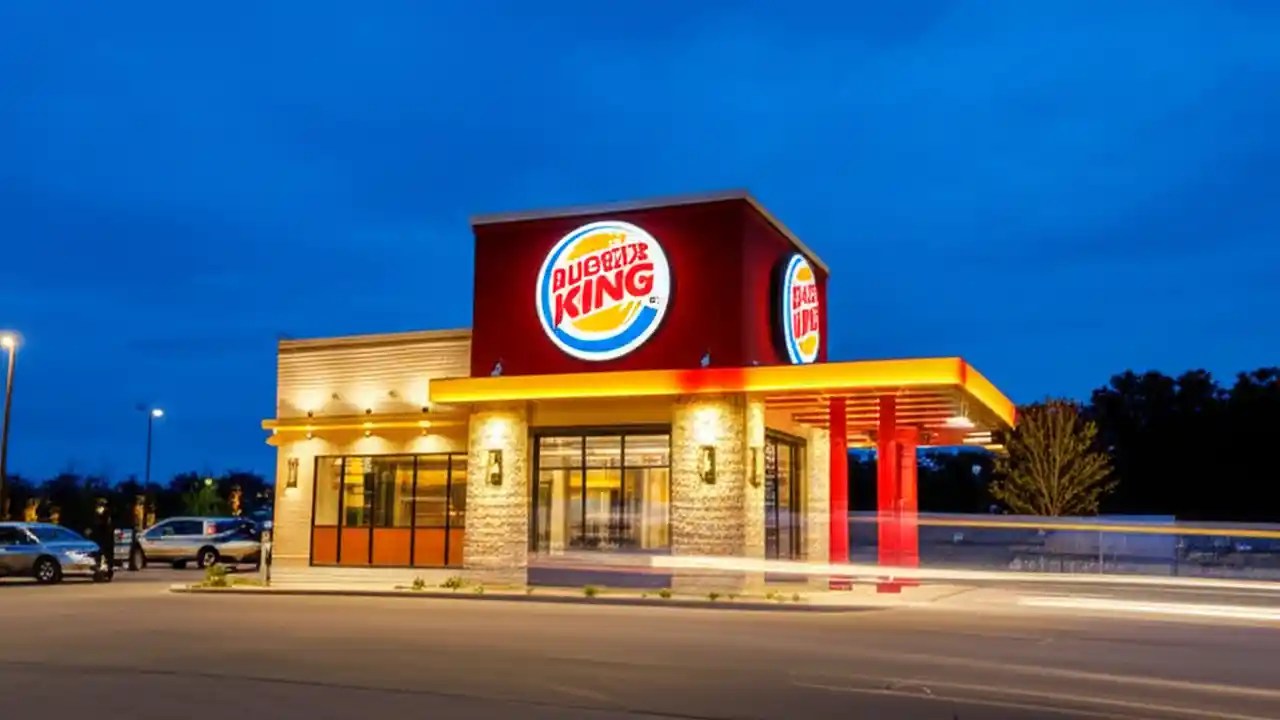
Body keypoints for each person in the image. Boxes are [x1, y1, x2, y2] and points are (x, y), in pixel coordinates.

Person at [87, 497, 115, 581]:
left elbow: (102, 525)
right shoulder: (98, 513)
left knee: (104, 556)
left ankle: (104, 573)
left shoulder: (105, 513)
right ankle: (102, 573)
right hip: (100, 539)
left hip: (104, 539)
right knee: (100, 556)